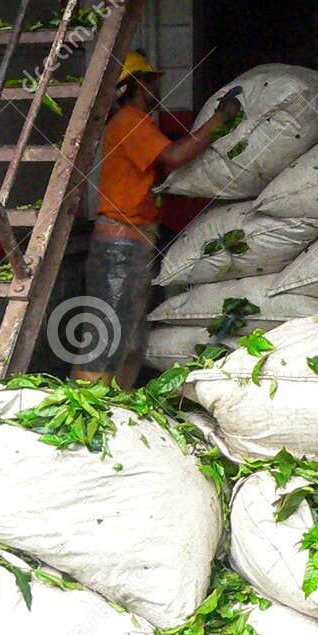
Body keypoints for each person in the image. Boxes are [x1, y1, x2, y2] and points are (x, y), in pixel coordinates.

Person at [79, 52, 241, 389]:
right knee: (109, 335)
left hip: (131, 245)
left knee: (131, 336)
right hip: (119, 248)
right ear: (138, 85)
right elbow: (175, 156)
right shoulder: (130, 121)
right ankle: (87, 404)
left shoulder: (134, 121)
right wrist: (219, 121)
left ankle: (117, 407)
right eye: (151, 81)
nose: (156, 88)